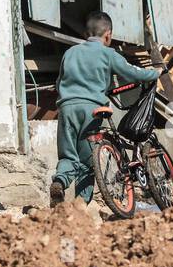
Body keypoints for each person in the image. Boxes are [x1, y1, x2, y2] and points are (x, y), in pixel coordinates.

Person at [49, 11, 159, 206]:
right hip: (91, 110)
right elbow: (132, 73)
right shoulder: (108, 53)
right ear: (108, 35)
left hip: (66, 108)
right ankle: (81, 205)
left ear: (85, 34)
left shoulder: (70, 53)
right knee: (87, 161)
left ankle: (60, 181)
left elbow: (59, 83)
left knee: (67, 153)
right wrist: (154, 73)